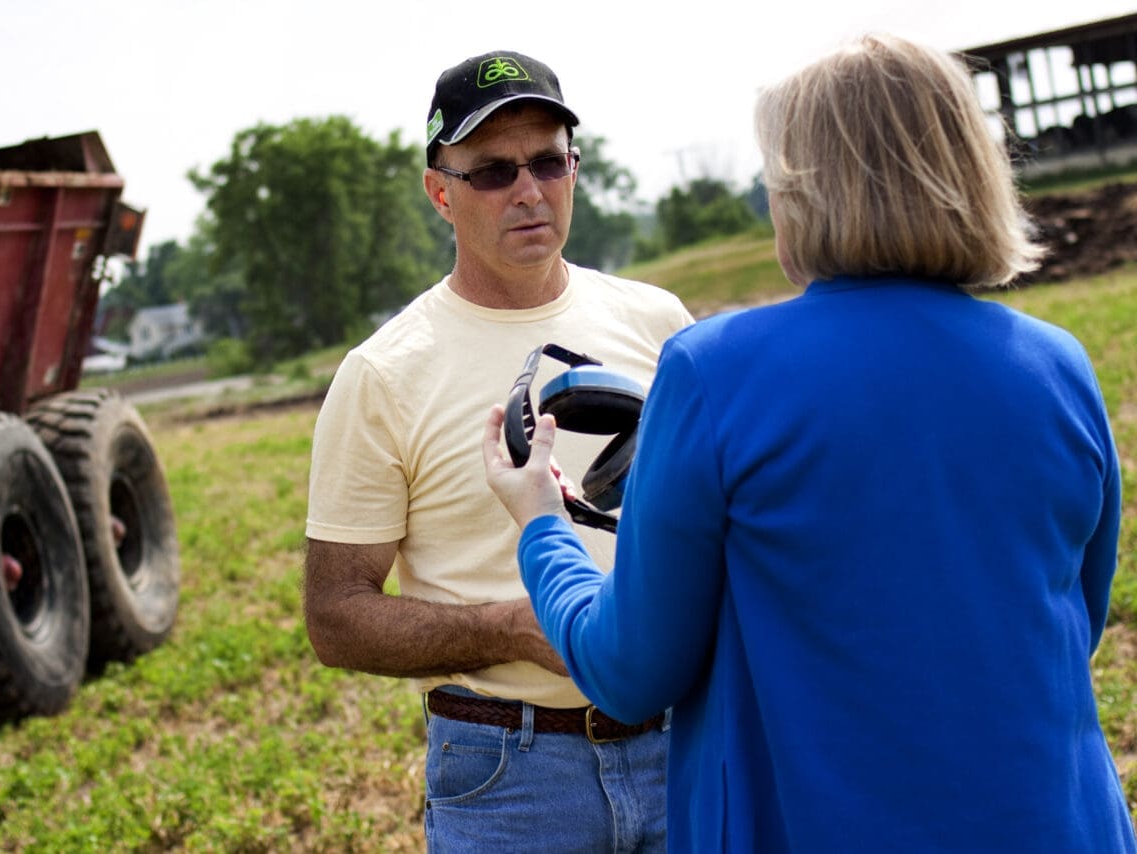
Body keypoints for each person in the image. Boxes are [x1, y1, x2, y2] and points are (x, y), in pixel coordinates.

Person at [483, 33, 1136, 853]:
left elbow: (629, 670)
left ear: (805, 190)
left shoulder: (715, 371)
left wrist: (544, 524)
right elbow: (1074, 621)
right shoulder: (1059, 365)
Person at [303, 50, 693, 851]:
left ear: (574, 171)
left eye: (549, 161)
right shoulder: (383, 374)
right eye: (492, 171)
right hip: (508, 774)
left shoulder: (660, 326)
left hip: (681, 745)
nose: (528, 189)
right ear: (439, 192)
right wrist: (507, 629)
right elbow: (336, 618)